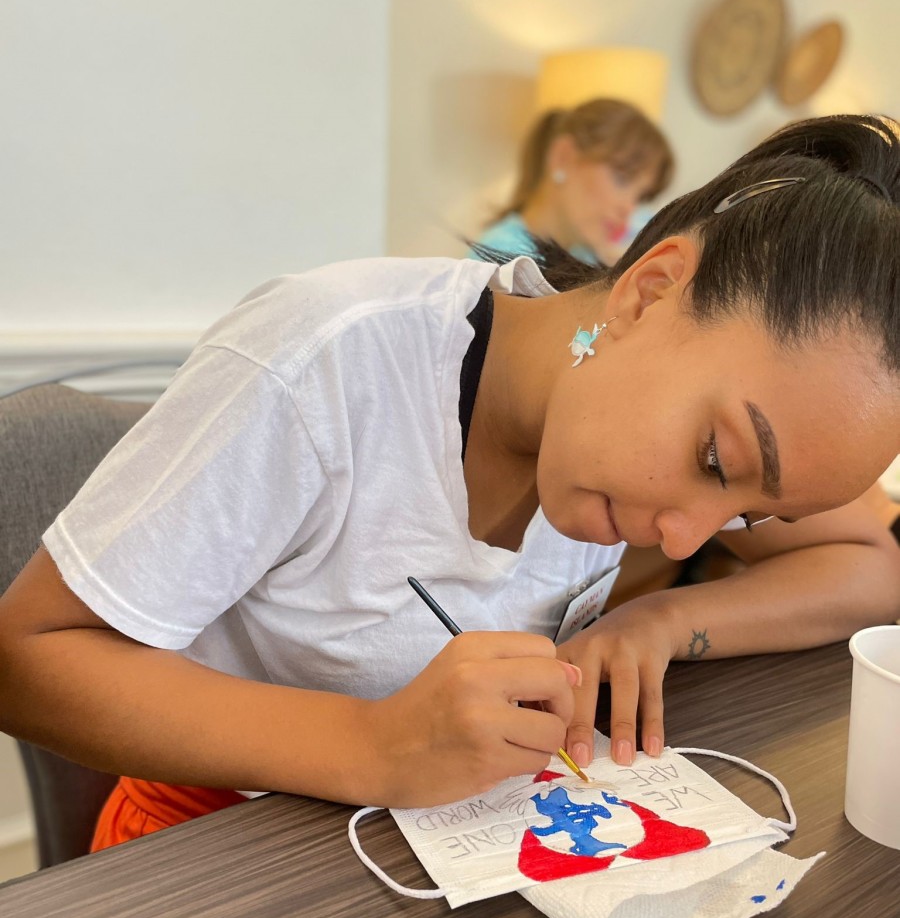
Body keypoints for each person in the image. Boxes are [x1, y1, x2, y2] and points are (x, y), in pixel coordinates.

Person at [1, 114, 899, 852]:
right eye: (716, 459)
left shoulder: (671, 450)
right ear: (650, 291)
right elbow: (29, 656)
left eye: (746, 513)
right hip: (212, 850)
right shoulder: (327, 361)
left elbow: (870, 564)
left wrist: (661, 620)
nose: (683, 540)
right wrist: (374, 745)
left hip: (443, 849)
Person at [471, 97, 674, 266]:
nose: (629, 209)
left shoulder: (587, 255)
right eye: (622, 179)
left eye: (640, 196)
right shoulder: (503, 264)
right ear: (563, 156)